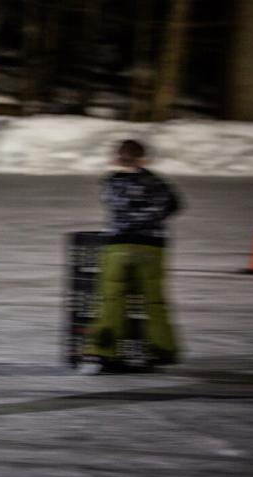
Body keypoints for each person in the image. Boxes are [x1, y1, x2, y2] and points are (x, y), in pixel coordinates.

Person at [81, 139, 183, 374]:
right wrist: (150, 218)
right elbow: (175, 204)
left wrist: (129, 221)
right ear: (143, 159)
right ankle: (161, 349)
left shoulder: (111, 182)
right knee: (153, 300)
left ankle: (105, 352)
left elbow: (112, 203)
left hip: (118, 246)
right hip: (151, 247)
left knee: (112, 300)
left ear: (117, 159)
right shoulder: (156, 182)